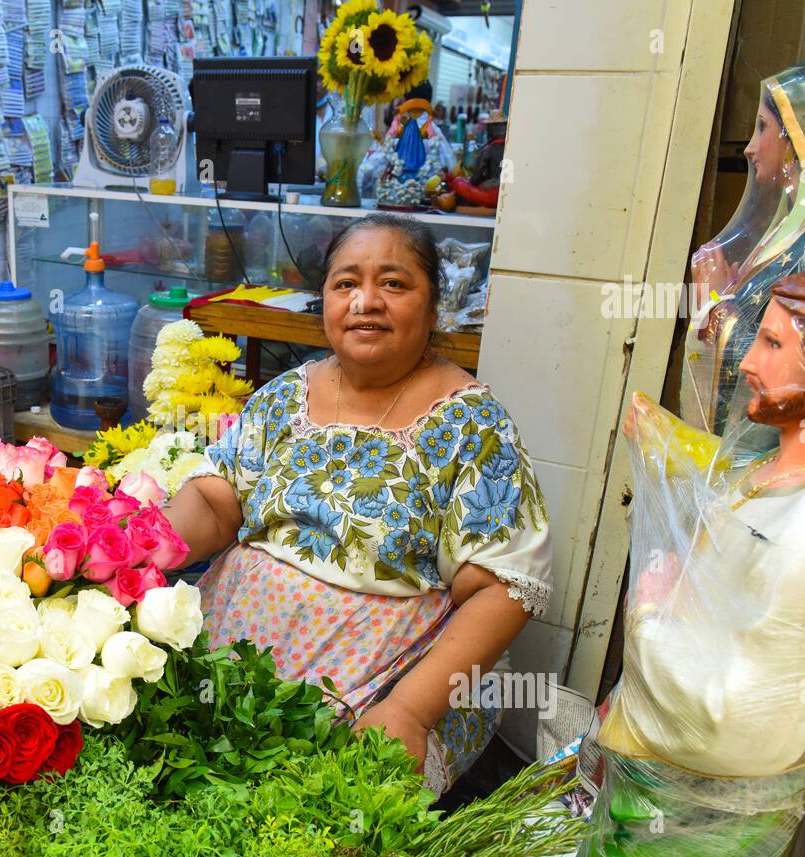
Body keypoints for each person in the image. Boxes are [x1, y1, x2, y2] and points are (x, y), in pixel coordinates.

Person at [164, 214, 553, 796]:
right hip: (232, 666)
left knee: (315, 824)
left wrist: (411, 712)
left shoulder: (472, 424)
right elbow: (216, 502)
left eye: (394, 284)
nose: (365, 301)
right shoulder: (285, 396)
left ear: (433, 306)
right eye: (345, 283)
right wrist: (138, 547)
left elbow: (503, 587)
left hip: (386, 684)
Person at [579, 225, 805, 857]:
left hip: (699, 813)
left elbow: (742, 720)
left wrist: (649, 619)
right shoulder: (780, 475)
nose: (752, 363)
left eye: (772, 343)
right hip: (651, 783)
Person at [683, 61, 805, 437]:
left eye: (762, 127)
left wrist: (713, 303)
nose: (748, 148)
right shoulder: (793, 228)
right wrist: (730, 295)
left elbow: (795, 368)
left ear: (801, 135)